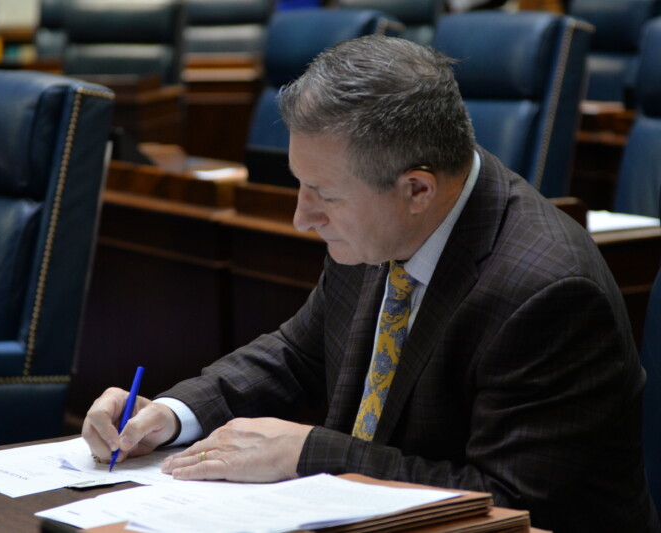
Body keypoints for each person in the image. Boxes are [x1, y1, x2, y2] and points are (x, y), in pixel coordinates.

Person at [83, 34, 659, 532]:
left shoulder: (546, 292)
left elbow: (514, 505)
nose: (302, 218)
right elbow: (297, 354)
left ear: (417, 190)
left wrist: (312, 454)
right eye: (300, 186)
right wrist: (174, 413)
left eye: (325, 196)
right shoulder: (379, 225)